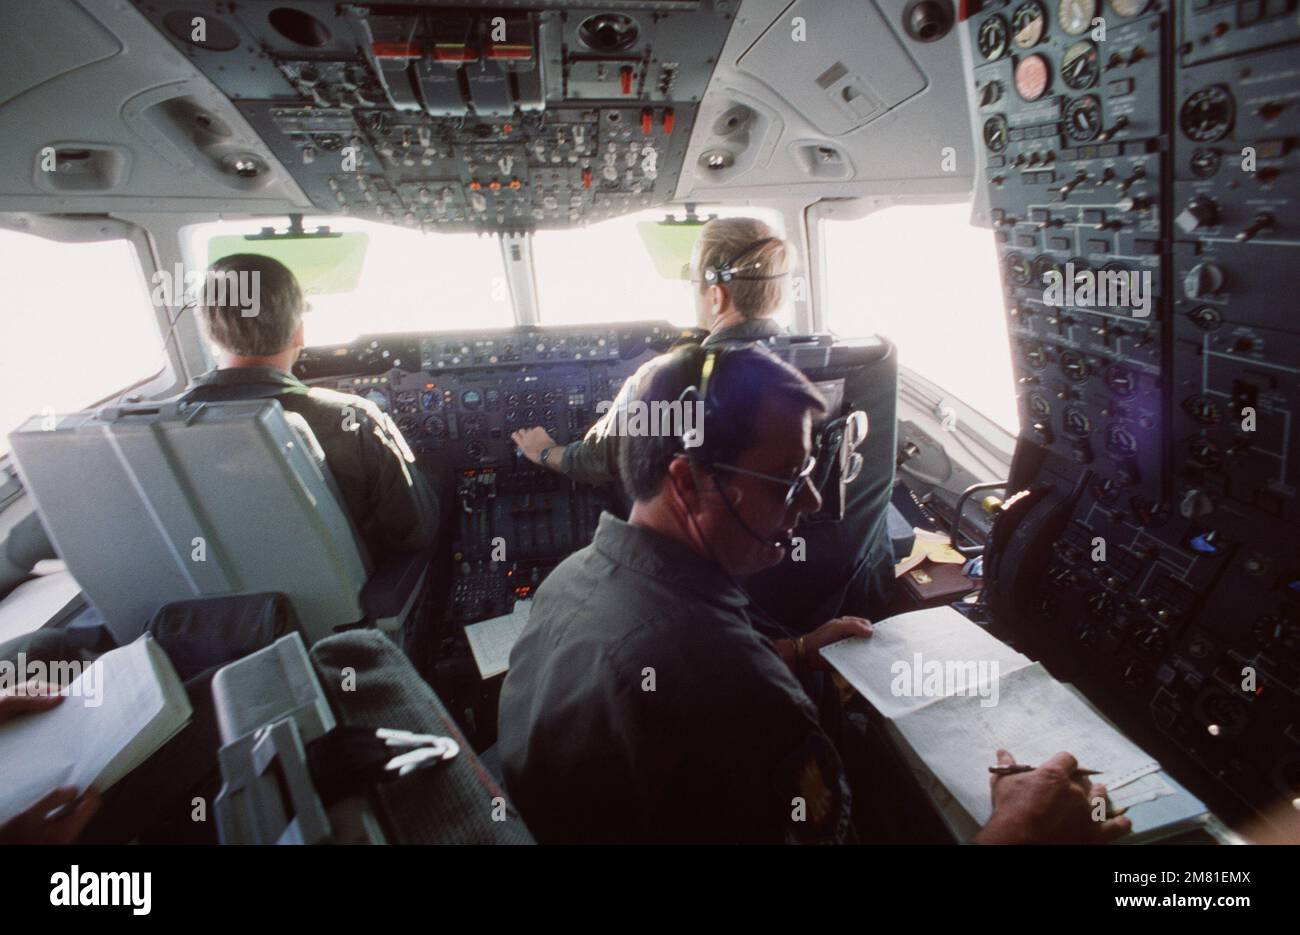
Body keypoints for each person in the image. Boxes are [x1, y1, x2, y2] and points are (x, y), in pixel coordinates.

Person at [497, 343, 1132, 844]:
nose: (814, 500)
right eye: (786, 479)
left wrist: (796, 650)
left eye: (811, 471)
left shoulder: (577, 576)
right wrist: (1020, 835)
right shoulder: (726, 682)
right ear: (688, 484)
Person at [182, 254, 437, 561]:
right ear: (299, 332)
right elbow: (415, 532)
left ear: (208, 332)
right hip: (345, 605)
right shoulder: (351, 419)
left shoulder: (141, 432)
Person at [511, 216, 790, 485]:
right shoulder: (821, 366)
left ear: (716, 296)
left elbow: (597, 460)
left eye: (693, 283)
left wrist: (544, 451)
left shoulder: (669, 378)